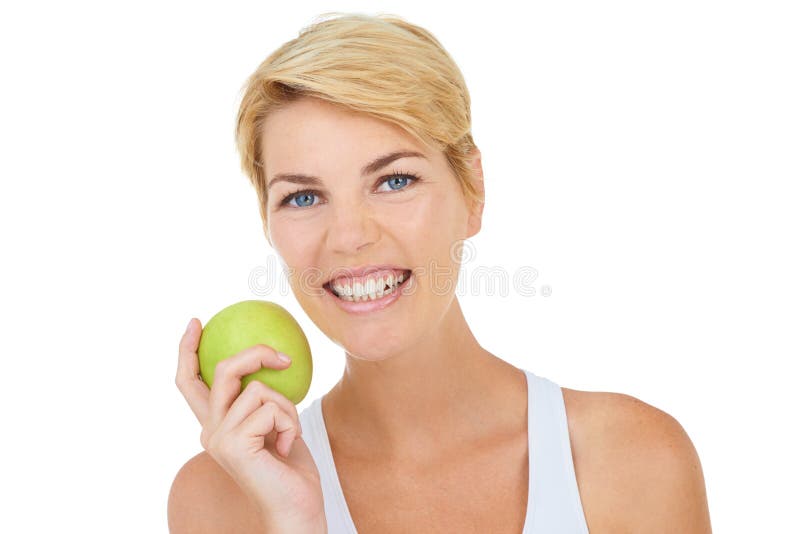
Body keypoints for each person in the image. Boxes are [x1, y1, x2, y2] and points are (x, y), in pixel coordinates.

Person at [169, 12, 712, 533]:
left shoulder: (632, 460)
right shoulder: (223, 498)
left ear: (472, 191)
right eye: (304, 196)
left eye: (394, 181)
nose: (349, 236)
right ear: (267, 222)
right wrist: (293, 524)